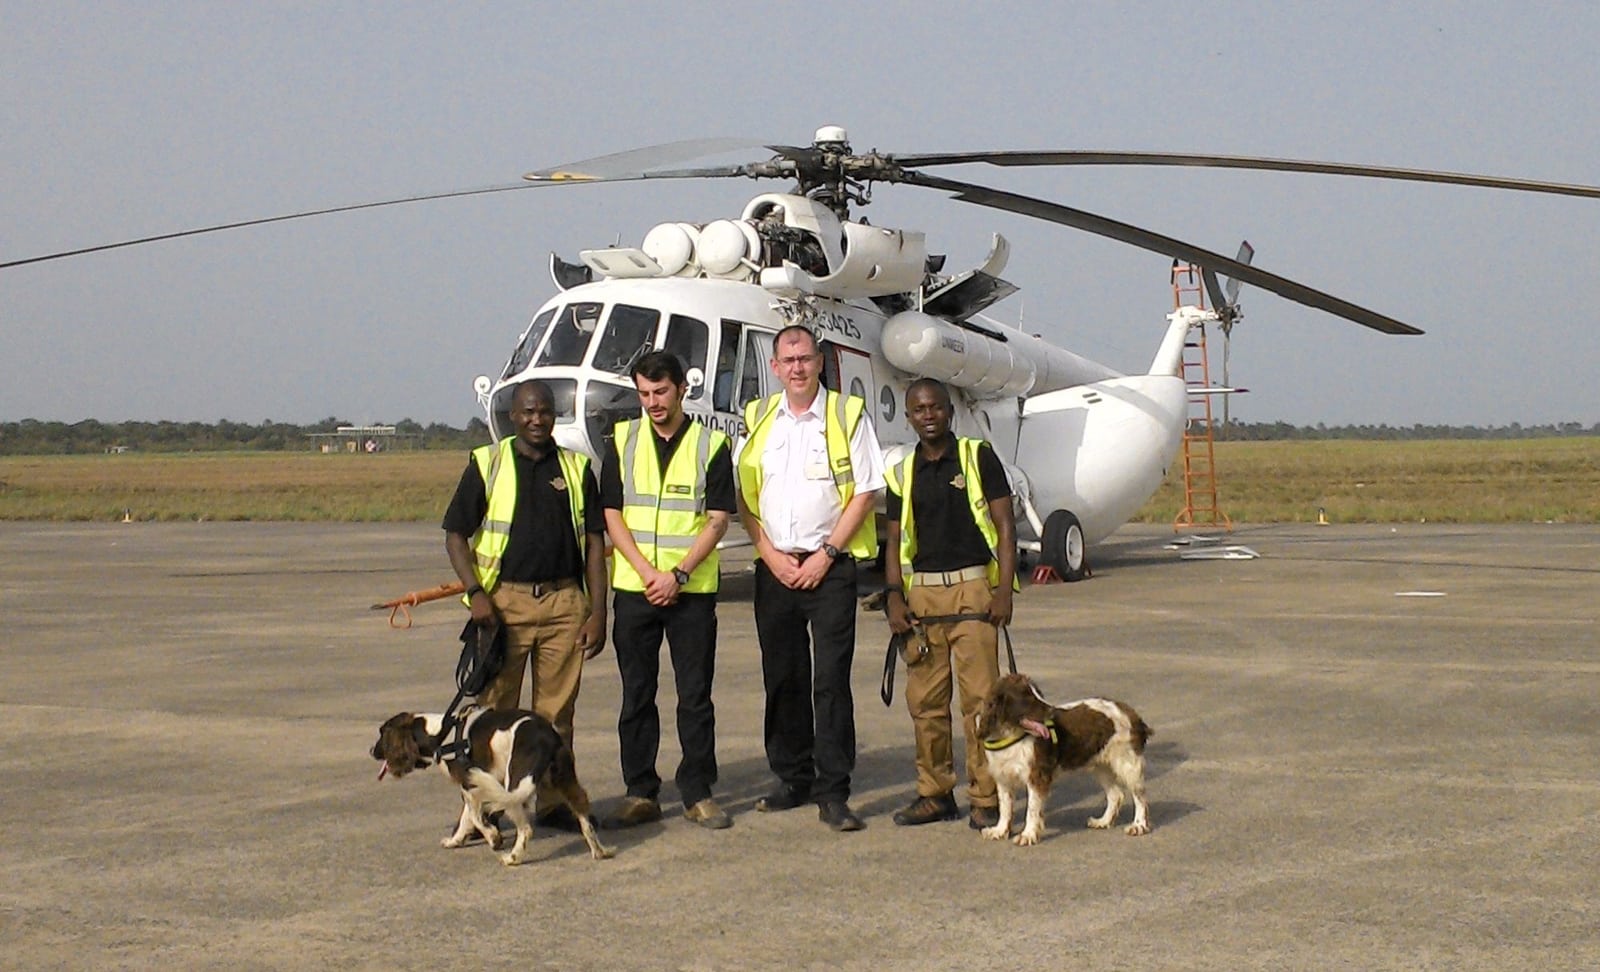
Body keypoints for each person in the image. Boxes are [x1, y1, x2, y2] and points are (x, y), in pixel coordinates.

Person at [735, 324, 884, 832]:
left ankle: (833, 790)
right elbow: (743, 494)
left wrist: (826, 553)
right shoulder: (758, 418)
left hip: (831, 568)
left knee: (830, 682)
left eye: (805, 358)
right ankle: (791, 778)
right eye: (788, 360)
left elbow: (865, 491)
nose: (797, 367)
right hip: (774, 567)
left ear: (820, 362)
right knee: (783, 678)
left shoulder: (846, 415)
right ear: (774, 368)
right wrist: (768, 554)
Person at [442, 379, 608, 832]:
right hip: (503, 606)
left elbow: (595, 543)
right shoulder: (488, 463)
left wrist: (598, 611)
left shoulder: (575, 469)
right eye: (528, 412)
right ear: (513, 416)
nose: (537, 419)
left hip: (563, 604)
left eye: (545, 412)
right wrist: (476, 593)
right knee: (493, 717)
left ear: (555, 415)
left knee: (555, 718)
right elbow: (455, 533)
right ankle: (487, 811)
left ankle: (553, 804)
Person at [599, 351, 735, 831]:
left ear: (682, 389)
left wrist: (676, 574)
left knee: (694, 695)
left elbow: (718, 518)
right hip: (636, 590)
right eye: (644, 393)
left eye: (661, 392)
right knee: (637, 694)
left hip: (691, 591)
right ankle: (640, 792)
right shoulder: (621, 441)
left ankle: (698, 792)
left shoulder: (711, 444)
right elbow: (611, 514)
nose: (653, 402)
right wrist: (645, 571)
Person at [883, 378, 1017, 831]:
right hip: (922, 595)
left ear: (948, 412)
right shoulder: (901, 471)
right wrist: (894, 597)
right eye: (919, 409)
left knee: (981, 702)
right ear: (909, 417)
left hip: (972, 590)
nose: (928, 416)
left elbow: (1004, 523)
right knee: (925, 703)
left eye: (935, 408)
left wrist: (1003, 592)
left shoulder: (977, 456)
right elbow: (893, 540)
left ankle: (985, 797)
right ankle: (935, 793)